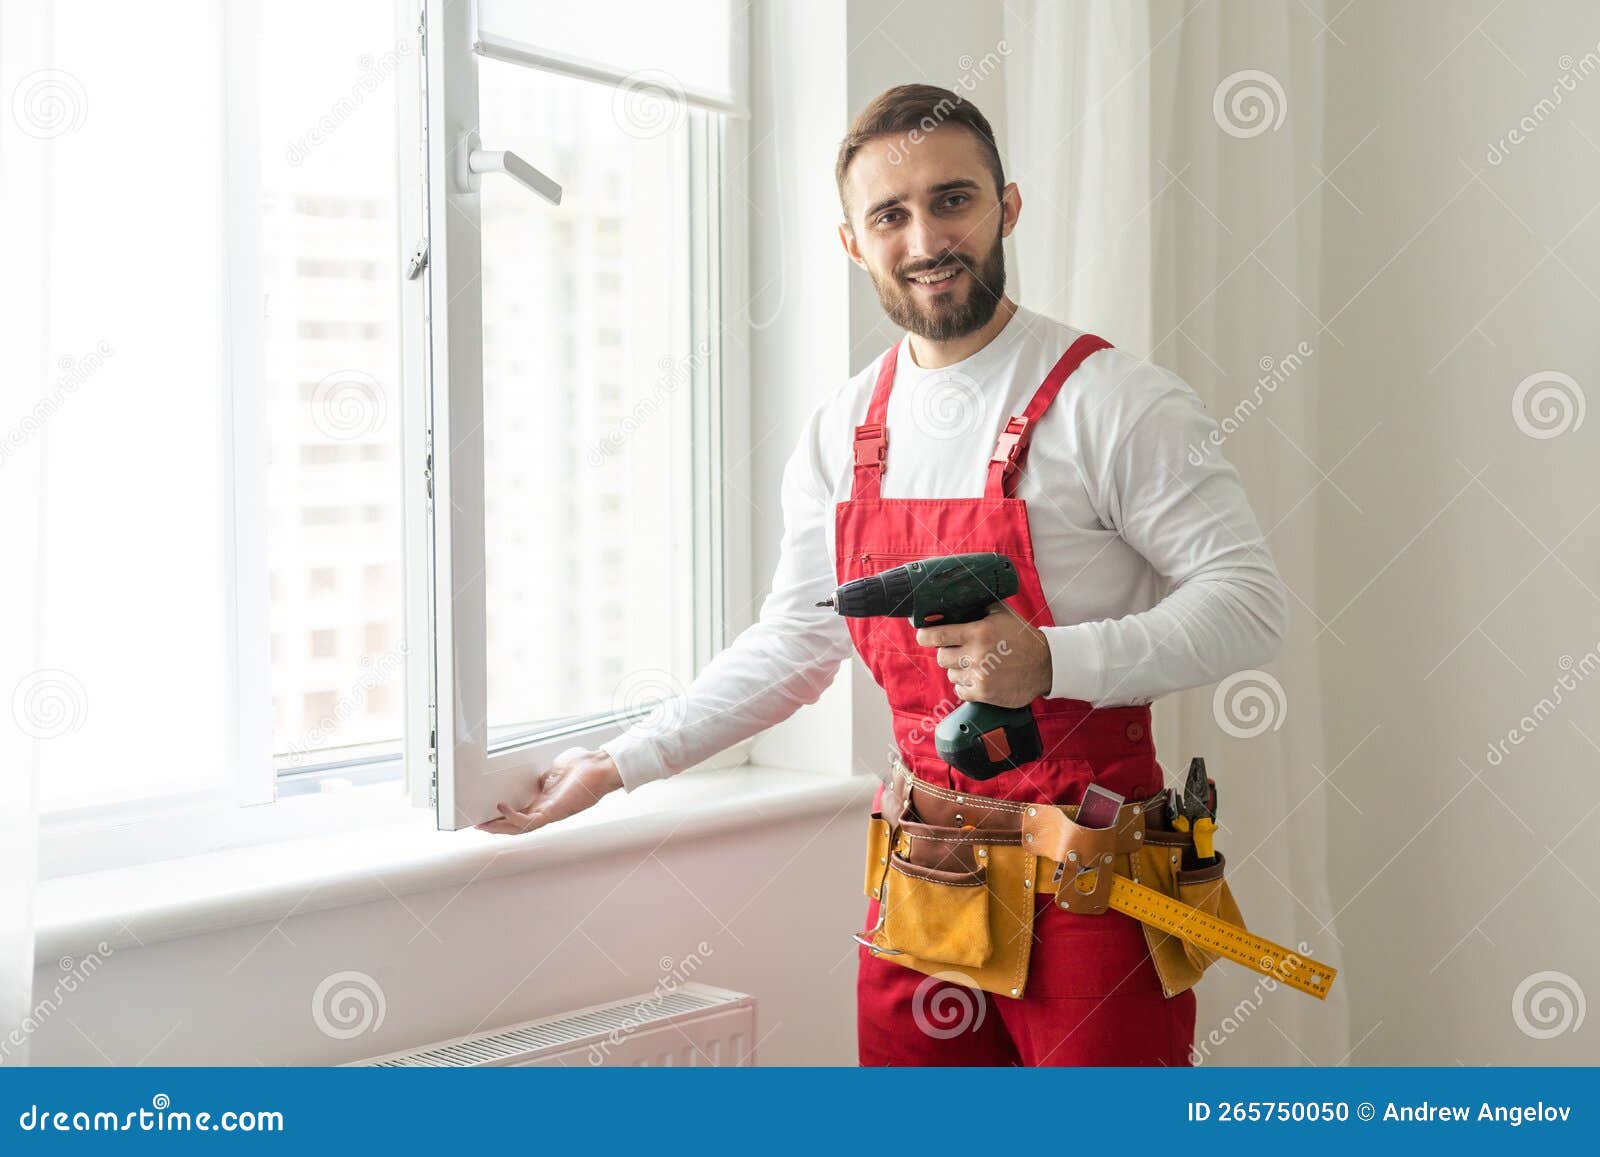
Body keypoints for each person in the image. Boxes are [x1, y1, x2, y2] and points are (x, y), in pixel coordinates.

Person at [477, 84, 1289, 1066]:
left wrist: (1050, 659)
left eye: (953, 200)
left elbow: (1248, 605)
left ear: (1007, 207)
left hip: (1091, 874)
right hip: (927, 867)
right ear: (852, 241)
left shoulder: (1115, 400)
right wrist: (617, 764)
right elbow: (794, 641)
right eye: (889, 214)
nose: (925, 237)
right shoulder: (844, 429)